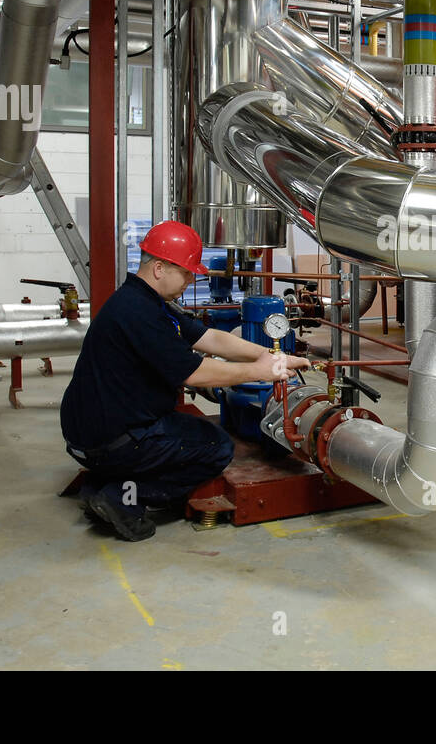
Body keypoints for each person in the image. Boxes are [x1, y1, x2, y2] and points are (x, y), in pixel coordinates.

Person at [60, 221, 309, 541]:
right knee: (215, 446)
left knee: (189, 431)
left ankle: (103, 484)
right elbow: (195, 373)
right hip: (112, 440)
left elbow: (212, 339)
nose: (191, 280)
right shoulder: (140, 313)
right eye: (187, 272)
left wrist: (272, 356)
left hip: (89, 434)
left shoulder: (144, 302)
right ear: (160, 268)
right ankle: (122, 498)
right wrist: (257, 372)